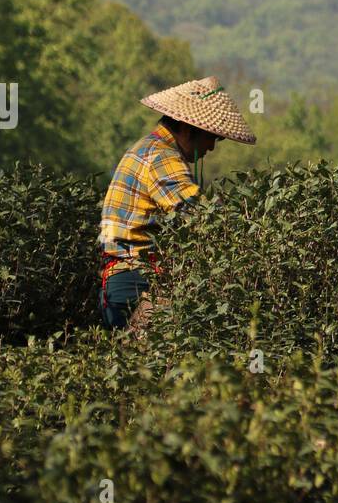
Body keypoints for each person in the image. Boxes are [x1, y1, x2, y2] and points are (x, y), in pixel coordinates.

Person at [98, 76, 256, 329]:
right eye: (211, 137)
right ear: (186, 127)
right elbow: (199, 216)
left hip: (122, 281)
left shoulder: (147, 147)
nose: (212, 147)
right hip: (137, 283)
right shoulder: (162, 156)